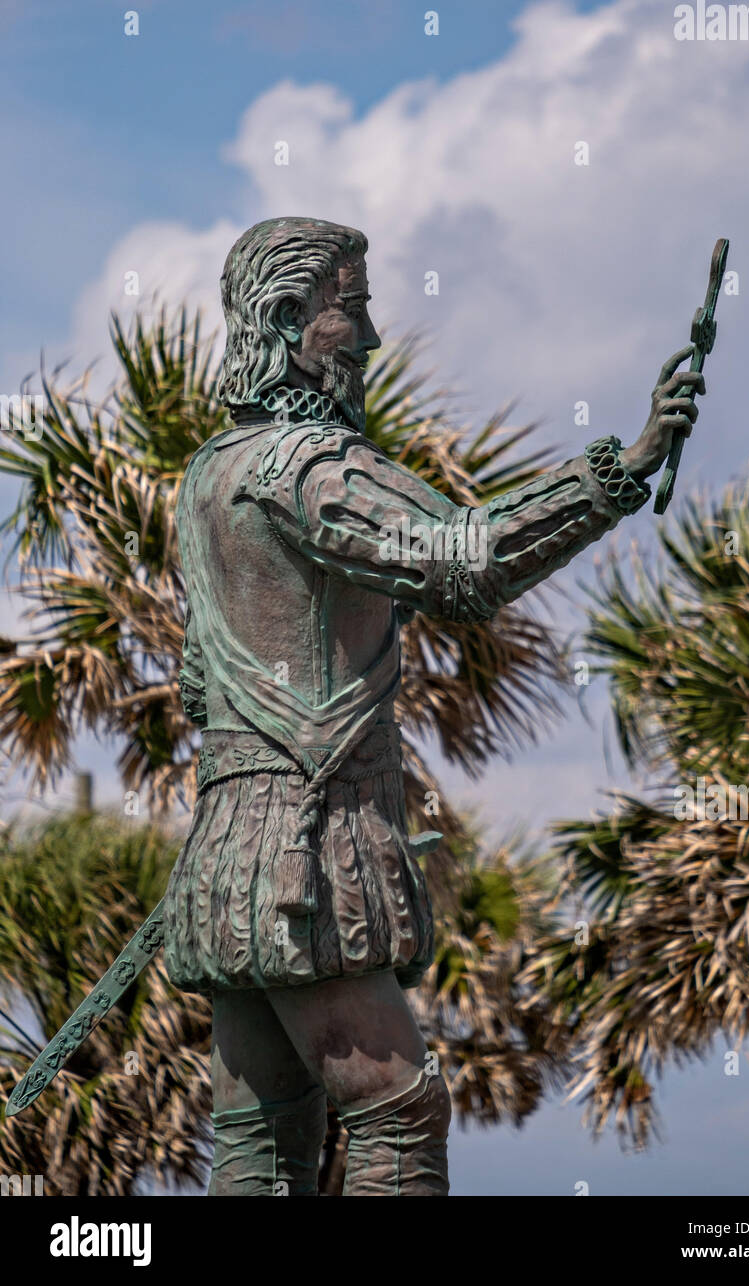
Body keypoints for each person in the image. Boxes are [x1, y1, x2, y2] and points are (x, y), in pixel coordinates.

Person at [162, 216, 704, 1196]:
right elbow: (466, 559)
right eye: (351, 311)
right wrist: (621, 469)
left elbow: (202, 685)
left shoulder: (203, 481)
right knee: (396, 1111)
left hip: (227, 850)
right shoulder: (310, 470)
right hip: (307, 853)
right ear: (289, 319)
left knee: (260, 1136)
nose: (368, 342)